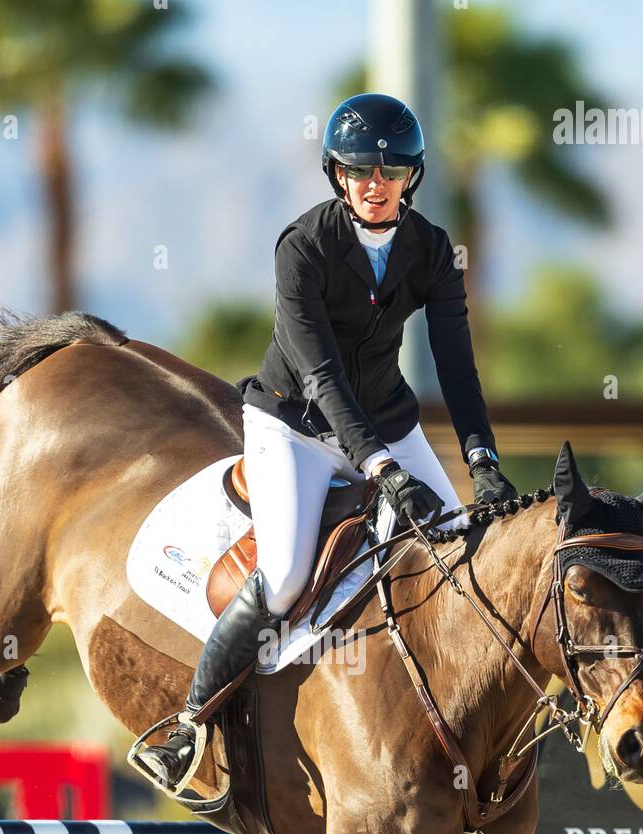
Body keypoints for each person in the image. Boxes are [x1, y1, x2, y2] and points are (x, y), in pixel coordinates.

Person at [147, 91, 516, 793]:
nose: (374, 185)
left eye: (390, 171)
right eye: (358, 172)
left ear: (412, 176)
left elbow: (457, 368)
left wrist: (482, 460)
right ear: (336, 175)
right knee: (286, 574)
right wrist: (378, 467)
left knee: (458, 553)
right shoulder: (303, 247)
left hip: (388, 418)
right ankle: (188, 726)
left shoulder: (431, 250)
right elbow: (317, 374)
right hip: (294, 427)